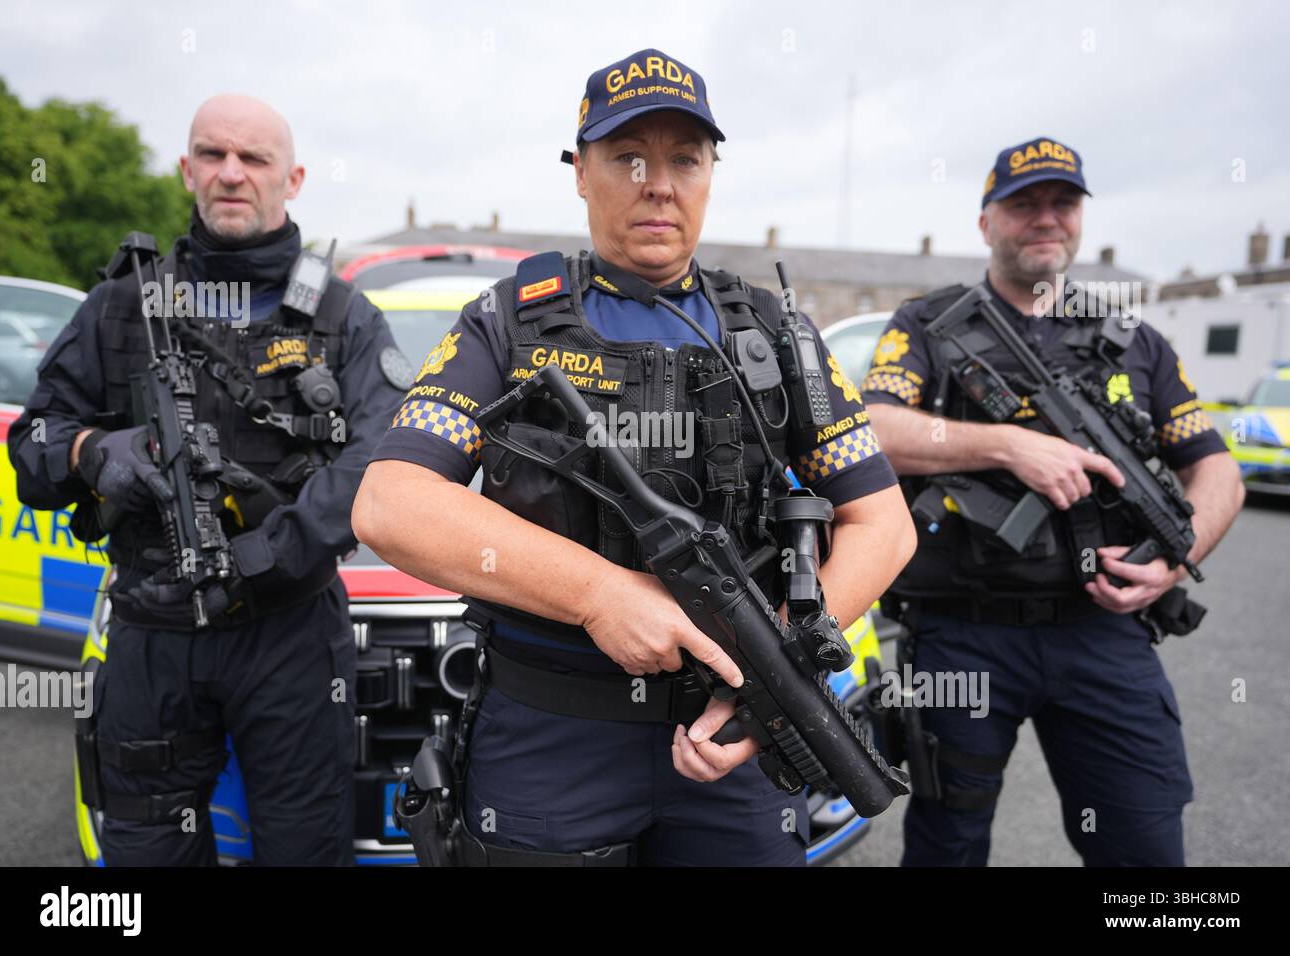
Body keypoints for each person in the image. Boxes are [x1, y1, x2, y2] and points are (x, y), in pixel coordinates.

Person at [354, 49, 916, 866]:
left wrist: (775, 676)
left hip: (731, 736)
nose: (660, 183)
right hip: (549, 734)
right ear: (581, 172)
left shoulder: (773, 333)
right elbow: (389, 502)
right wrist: (599, 595)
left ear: (710, 173)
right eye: (629, 157)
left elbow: (883, 525)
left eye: (684, 158)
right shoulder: (507, 322)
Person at [8, 93, 410, 865]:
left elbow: (385, 460)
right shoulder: (119, 307)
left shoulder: (344, 315)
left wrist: (270, 556)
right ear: (187, 169)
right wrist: (94, 452)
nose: (232, 174)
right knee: (145, 853)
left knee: (305, 850)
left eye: (252, 158)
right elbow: (34, 442)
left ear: (290, 179)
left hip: (289, 632)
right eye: (213, 155)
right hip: (151, 627)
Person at [861, 136, 1244, 866]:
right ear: (985, 223)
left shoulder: (1136, 340)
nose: (1046, 218)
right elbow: (872, 427)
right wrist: (1007, 445)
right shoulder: (926, 324)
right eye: (1023, 204)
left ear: (1080, 219)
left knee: (1145, 844)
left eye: (1062, 203)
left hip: (1103, 630)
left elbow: (1215, 468)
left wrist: (1176, 555)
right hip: (962, 633)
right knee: (948, 843)